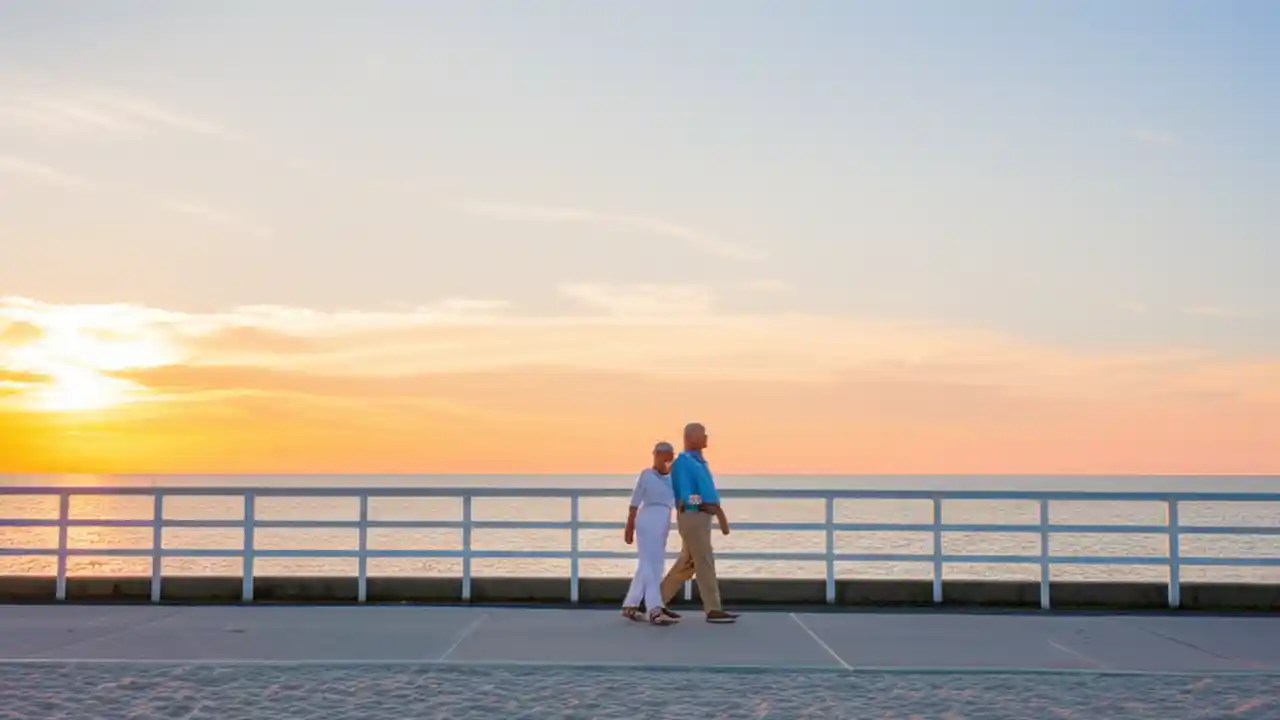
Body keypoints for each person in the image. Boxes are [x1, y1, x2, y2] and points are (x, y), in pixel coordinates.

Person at [659, 422, 738, 623]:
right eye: (703, 434)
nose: (706, 437)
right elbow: (685, 498)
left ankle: (655, 601)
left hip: (701, 518)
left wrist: (712, 508)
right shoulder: (684, 463)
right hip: (693, 517)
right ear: (691, 437)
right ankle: (713, 609)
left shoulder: (699, 462)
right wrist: (706, 505)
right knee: (704, 560)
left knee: (687, 562)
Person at [621, 441, 681, 625]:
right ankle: (654, 608)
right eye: (662, 456)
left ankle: (630, 605)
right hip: (647, 520)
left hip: (662, 521)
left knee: (654, 562)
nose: (666, 461)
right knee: (649, 564)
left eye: (670, 458)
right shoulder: (646, 475)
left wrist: (702, 502)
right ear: (655, 456)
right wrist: (629, 527)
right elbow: (634, 503)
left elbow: (683, 499)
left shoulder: (674, 478)